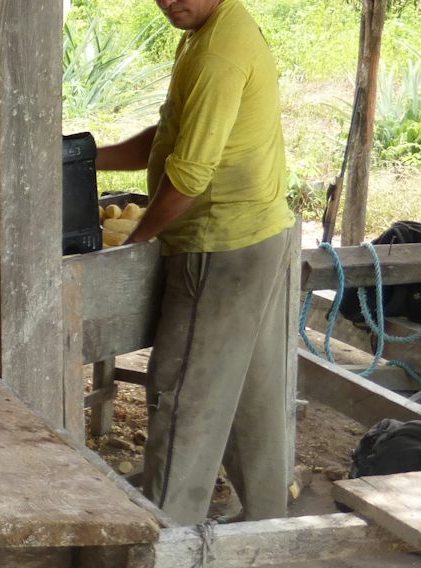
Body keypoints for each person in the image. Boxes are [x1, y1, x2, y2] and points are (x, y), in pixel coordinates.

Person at [97, 0, 297, 523]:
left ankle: (167, 537)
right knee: (251, 390)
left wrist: (137, 240)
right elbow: (166, 138)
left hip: (220, 246)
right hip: (260, 233)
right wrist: (86, 156)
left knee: (184, 394)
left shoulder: (217, 54)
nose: (168, 0)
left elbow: (187, 175)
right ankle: (266, 521)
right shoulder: (213, 27)